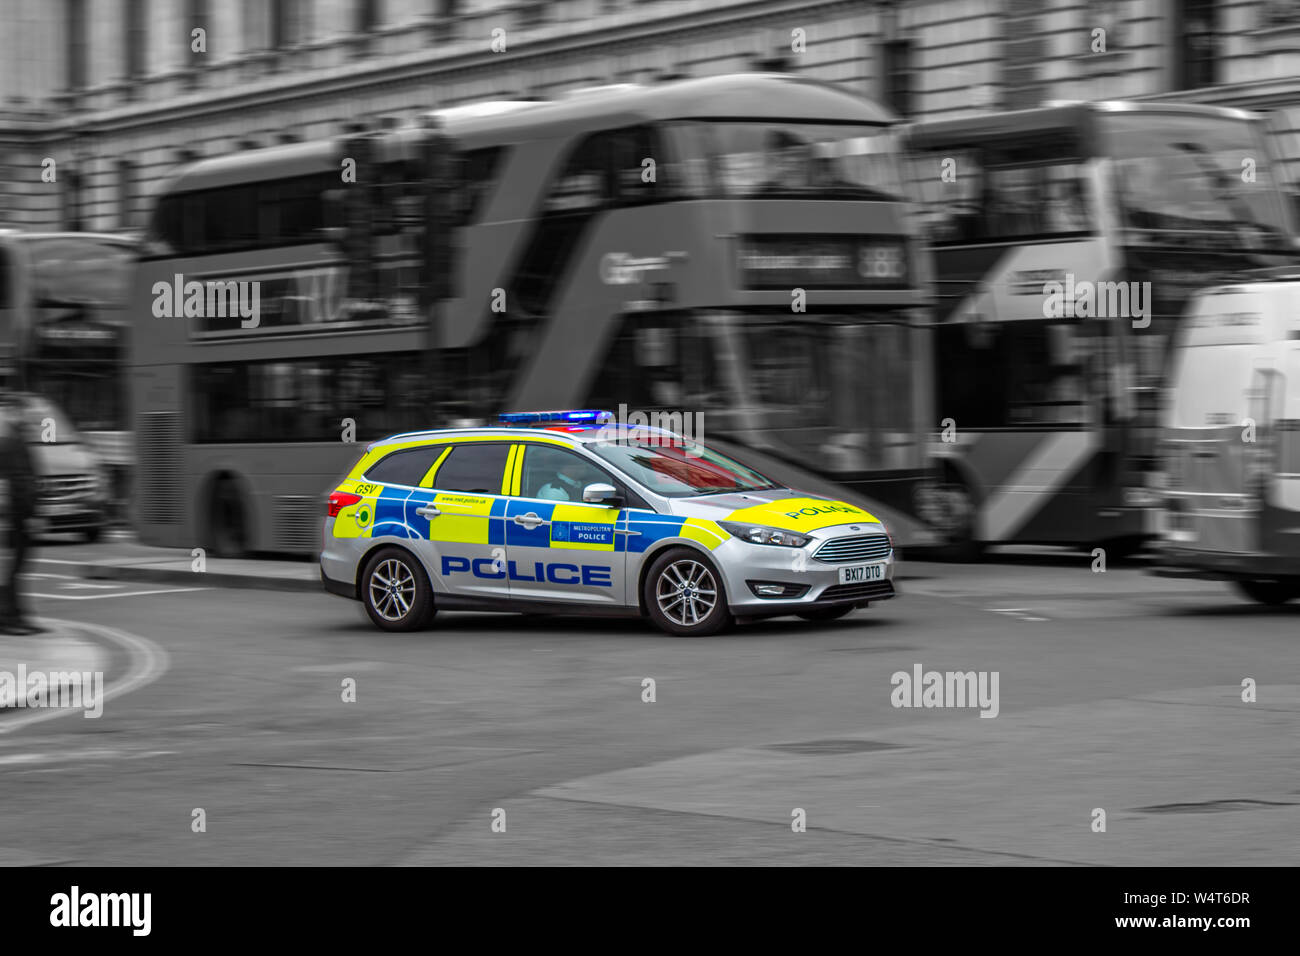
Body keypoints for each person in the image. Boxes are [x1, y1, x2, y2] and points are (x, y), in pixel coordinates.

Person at [0, 390, 44, 635]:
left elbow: (27, 479)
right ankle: (8, 619)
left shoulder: (17, 437)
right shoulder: (10, 441)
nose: (31, 415)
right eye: (26, 411)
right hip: (14, 517)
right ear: (14, 412)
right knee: (13, 568)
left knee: (18, 567)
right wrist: (30, 514)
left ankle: (18, 616)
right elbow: (19, 482)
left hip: (18, 515)